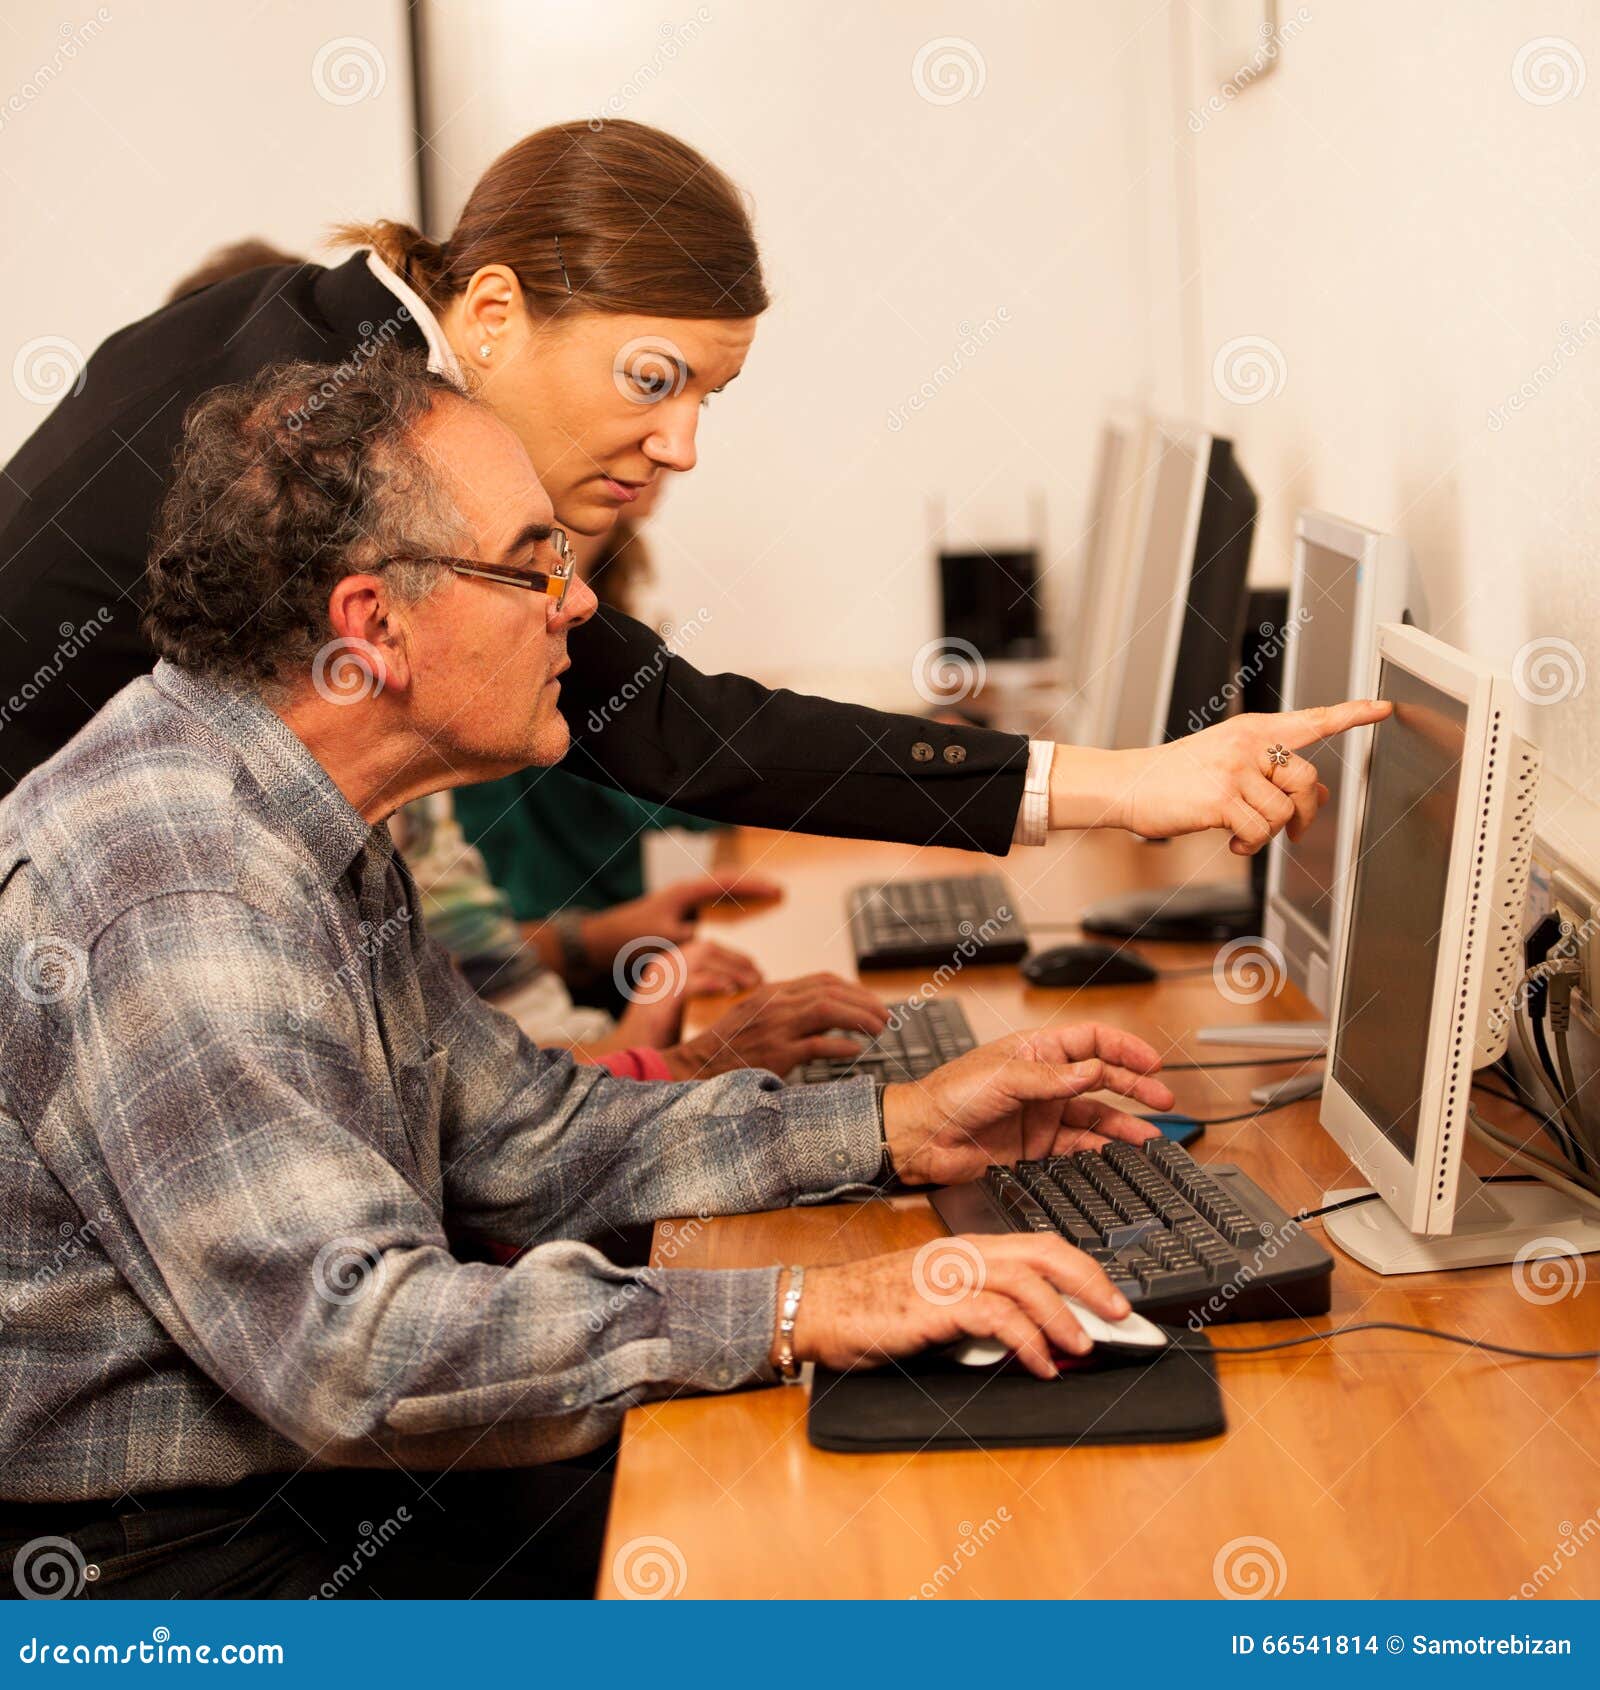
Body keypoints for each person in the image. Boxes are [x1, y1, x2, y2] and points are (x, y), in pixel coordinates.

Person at [0, 356, 1180, 1597]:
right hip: (170, 1567)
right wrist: (800, 1311)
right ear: (372, 626)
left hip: (312, 1486)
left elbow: (524, 1138)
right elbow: (358, 1350)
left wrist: (894, 1124)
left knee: (837, 1533)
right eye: (531, 567)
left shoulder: (294, 810)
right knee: (824, 1586)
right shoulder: (183, 890)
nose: (574, 605)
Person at [0, 117, 1380, 870]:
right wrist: (1114, 787)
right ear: (491, 309)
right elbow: (663, 728)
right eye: (655, 378)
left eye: (709, 395)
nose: (681, 445)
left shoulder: (301, 327)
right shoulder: (341, 443)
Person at [453, 476, 726, 920]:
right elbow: (651, 778)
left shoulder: (602, 575)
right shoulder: (515, 611)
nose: (678, 453)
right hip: (540, 948)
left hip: (599, 935)